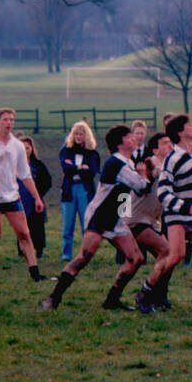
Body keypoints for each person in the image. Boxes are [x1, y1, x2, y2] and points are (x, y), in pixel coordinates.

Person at [41, 125, 152, 313]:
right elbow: (141, 187)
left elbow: (124, 196)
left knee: (136, 258)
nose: (133, 139)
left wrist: (124, 217)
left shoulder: (128, 162)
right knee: (84, 258)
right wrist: (144, 175)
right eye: (128, 137)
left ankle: (112, 300)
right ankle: (53, 298)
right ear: (119, 144)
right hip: (99, 218)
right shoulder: (117, 164)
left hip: (115, 219)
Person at [132, 114, 192, 315]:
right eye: (190, 125)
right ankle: (145, 292)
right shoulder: (172, 159)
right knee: (176, 255)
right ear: (181, 132)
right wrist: (186, 207)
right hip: (178, 214)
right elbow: (163, 192)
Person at [0, 108, 46, 282]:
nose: (9, 123)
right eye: (5, 120)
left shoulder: (17, 146)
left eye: (11, 120)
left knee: (24, 234)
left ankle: (34, 272)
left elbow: (25, 174)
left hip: (12, 196)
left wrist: (37, 198)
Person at [126, 132, 174, 314]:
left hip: (153, 221)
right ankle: (144, 295)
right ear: (155, 149)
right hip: (137, 219)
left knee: (170, 258)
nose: (169, 146)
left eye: (170, 142)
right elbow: (151, 172)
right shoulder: (152, 162)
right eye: (164, 143)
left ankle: (159, 297)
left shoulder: (170, 165)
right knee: (168, 252)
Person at [59, 122, 99, 261]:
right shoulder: (66, 150)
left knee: (86, 224)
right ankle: (66, 254)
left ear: (86, 136)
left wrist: (75, 168)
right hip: (69, 189)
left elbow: (92, 172)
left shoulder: (92, 153)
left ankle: (86, 252)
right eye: (76, 134)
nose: (78, 136)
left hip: (84, 190)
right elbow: (66, 169)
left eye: (81, 134)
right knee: (67, 225)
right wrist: (81, 168)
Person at [19, 136, 52, 261]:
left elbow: (48, 181)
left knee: (37, 226)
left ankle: (39, 251)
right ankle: (22, 251)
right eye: (22, 148)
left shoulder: (38, 165)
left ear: (32, 149)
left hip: (35, 200)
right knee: (21, 227)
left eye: (27, 148)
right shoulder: (14, 165)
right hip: (20, 199)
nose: (25, 150)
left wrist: (38, 194)